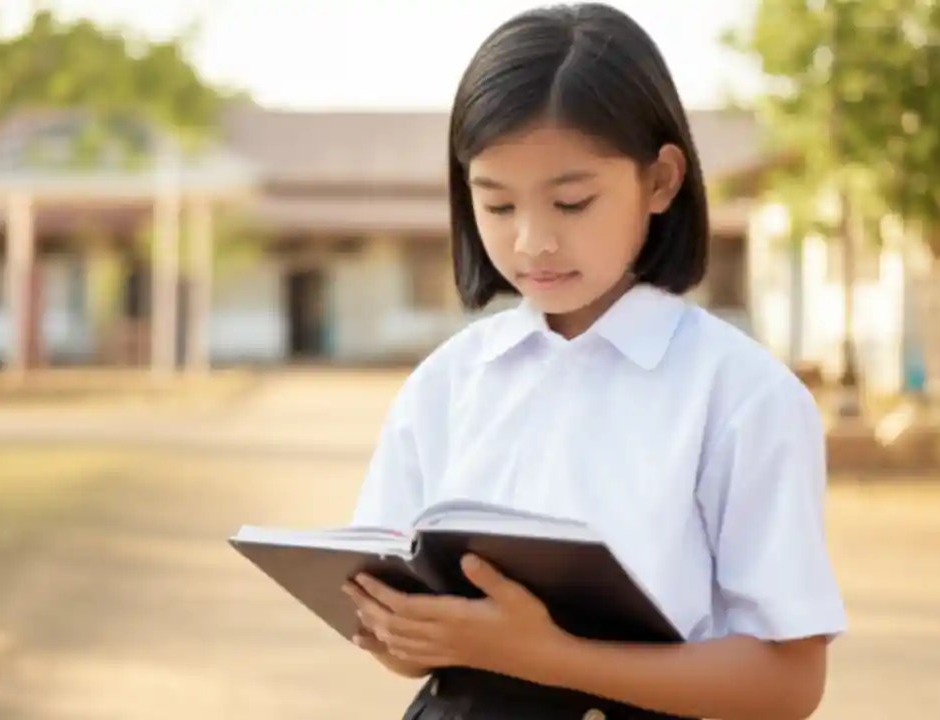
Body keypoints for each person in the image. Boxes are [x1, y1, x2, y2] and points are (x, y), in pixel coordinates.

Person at [340, 4, 847, 719]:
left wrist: (545, 656)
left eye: (572, 202)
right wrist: (402, 631)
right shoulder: (447, 384)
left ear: (662, 181)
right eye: (497, 205)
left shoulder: (740, 394)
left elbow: (788, 684)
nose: (532, 242)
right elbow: (400, 639)